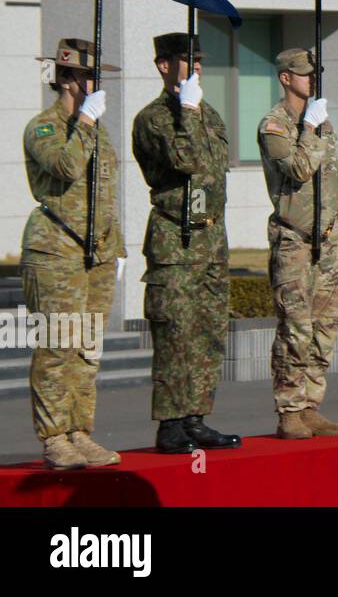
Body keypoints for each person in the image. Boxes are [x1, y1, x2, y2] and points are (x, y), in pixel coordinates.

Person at [132, 32, 240, 454]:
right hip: (175, 240)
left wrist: (195, 110)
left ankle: (196, 416)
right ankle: (170, 424)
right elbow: (188, 161)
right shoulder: (155, 117)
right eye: (185, 61)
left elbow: (215, 177)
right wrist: (188, 110)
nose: (195, 68)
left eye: (198, 61)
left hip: (210, 240)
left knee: (207, 334)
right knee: (175, 336)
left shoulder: (208, 113)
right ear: (163, 65)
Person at [21, 39, 125, 470]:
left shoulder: (95, 130)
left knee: (88, 347)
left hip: (96, 253)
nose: (93, 83)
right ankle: (55, 437)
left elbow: (105, 192)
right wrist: (83, 120)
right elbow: (63, 168)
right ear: (66, 79)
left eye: (95, 76)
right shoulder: (44, 127)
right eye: (86, 76)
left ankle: (80, 430)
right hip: (56, 252)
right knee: (57, 345)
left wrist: (116, 248)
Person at [257, 48, 338, 440]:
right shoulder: (274, 125)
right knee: (295, 329)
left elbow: (330, 186)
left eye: (314, 74)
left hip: (327, 241)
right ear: (285, 78)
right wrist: (308, 131)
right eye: (304, 74)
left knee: (325, 328)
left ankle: (312, 405)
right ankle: (289, 409)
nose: (311, 80)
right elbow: (297, 169)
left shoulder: (322, 123)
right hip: (293, 240)